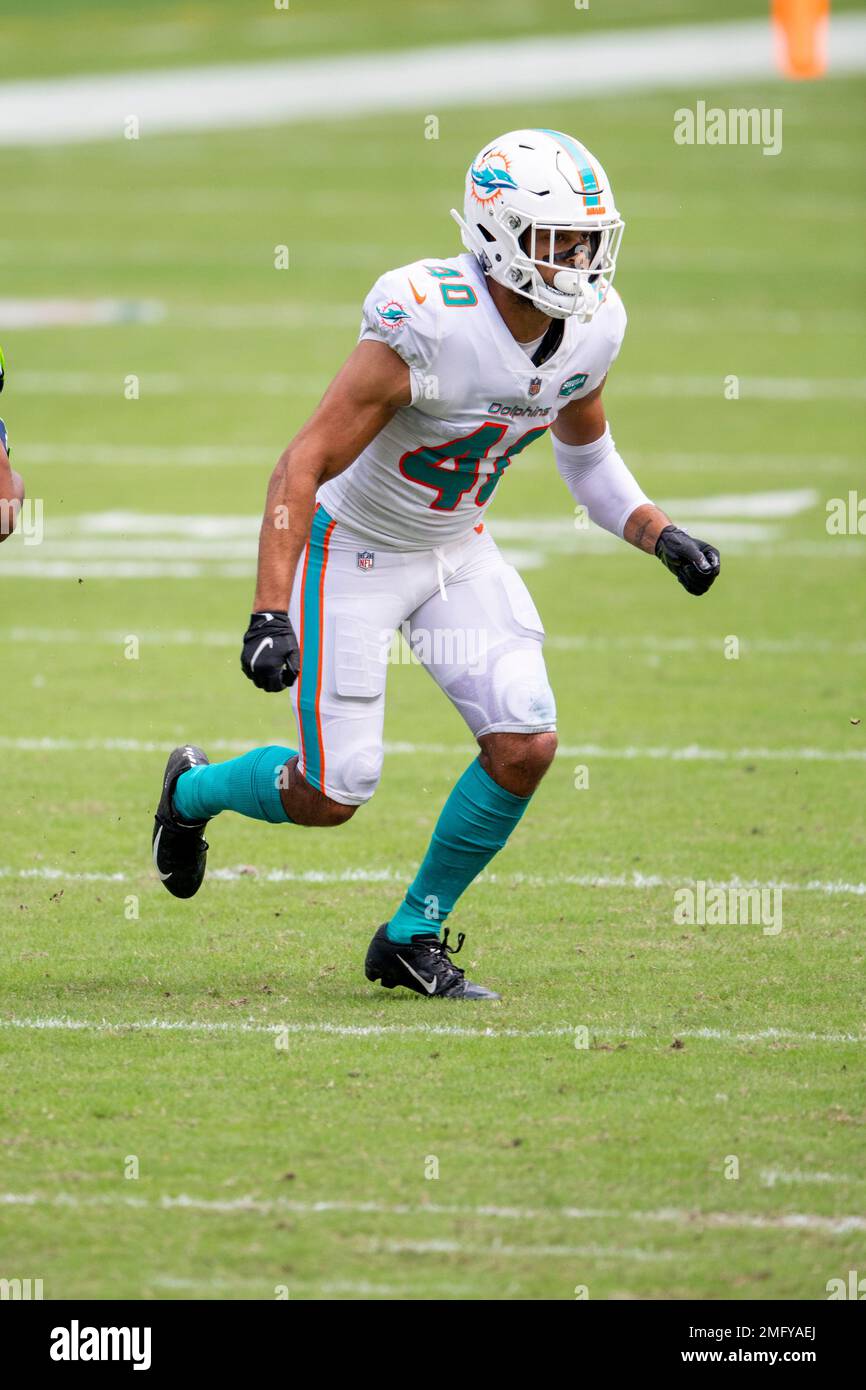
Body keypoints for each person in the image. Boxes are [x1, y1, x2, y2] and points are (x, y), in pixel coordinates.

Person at [152, 128, 720, 1001]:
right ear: (498, 236)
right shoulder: (429, 317)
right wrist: (270, 610)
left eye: (587, 239)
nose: (577, 260)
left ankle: (411, 934)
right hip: (357, 553)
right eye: (556, 240)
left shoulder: (592, 328)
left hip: (458, 551)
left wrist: (658, 531)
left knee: (526, 741)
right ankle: (192, 793)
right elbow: (302, 463)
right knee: (334, 793)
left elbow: (588, 456)